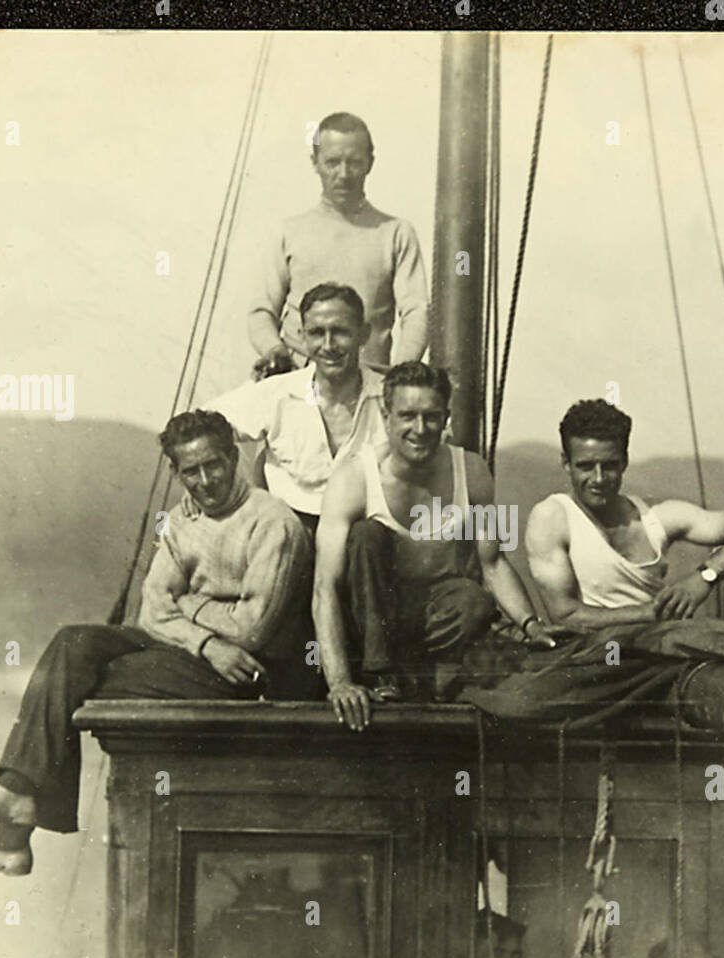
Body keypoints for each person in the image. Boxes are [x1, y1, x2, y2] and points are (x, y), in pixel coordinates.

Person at [0, 410, 313, 880]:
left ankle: (12, 829)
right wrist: (206, 639)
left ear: (233, 458)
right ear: (175, 472)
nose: (205, 480)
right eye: (190, 471)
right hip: (198, 654)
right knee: (73, 644)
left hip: (242, 671)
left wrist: (188, 610)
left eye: (213, 464)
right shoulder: (179, 520)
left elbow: (250, 629)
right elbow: (152, 610)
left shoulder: (273, 523)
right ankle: (15, 797)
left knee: (81, 679)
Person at [313, 362, 559, 730]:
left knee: (473, 599)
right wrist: (339, 683)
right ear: (386, 415)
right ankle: (379, 676)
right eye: (407, 416)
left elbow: (494, 563)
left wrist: (530, 624)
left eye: (431, 417)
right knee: (367, 536)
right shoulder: (353, 477)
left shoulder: (474, 471)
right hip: (368, 625)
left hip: (431, 622)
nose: (420, 429)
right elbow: (325, 587)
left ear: (445, 417)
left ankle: (427, 679)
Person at [525, 399, 724, 630]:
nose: (599, 479)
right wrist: (653, 612)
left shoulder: (654, 516)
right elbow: (566, 615)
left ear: (624, 462)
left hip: (662, 645)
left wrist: (705, 577)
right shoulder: (552, 517)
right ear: (566, 464)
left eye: (610, 465)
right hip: (599, 654)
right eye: (586, 466)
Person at [248, 111, 428, 377]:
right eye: (332, 162)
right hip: (298, 378)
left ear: (370, 163)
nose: (343, 174)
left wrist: (400, 374)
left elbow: (416, 311)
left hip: (369, 380)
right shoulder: (289, 232)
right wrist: (274, 350)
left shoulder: (396, 232)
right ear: (315, 163)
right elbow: (261, 312)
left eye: (354, 162)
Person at [209, 283, 388, 535]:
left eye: (340, 332)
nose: (328, 345)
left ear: (364, 334)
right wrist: (226, 495)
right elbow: (197, 428)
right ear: (302, 336)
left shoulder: (390, 398)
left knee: (369, 539)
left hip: (361, 531)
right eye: (316, 333)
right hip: (290, 527)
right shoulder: (278, 393)